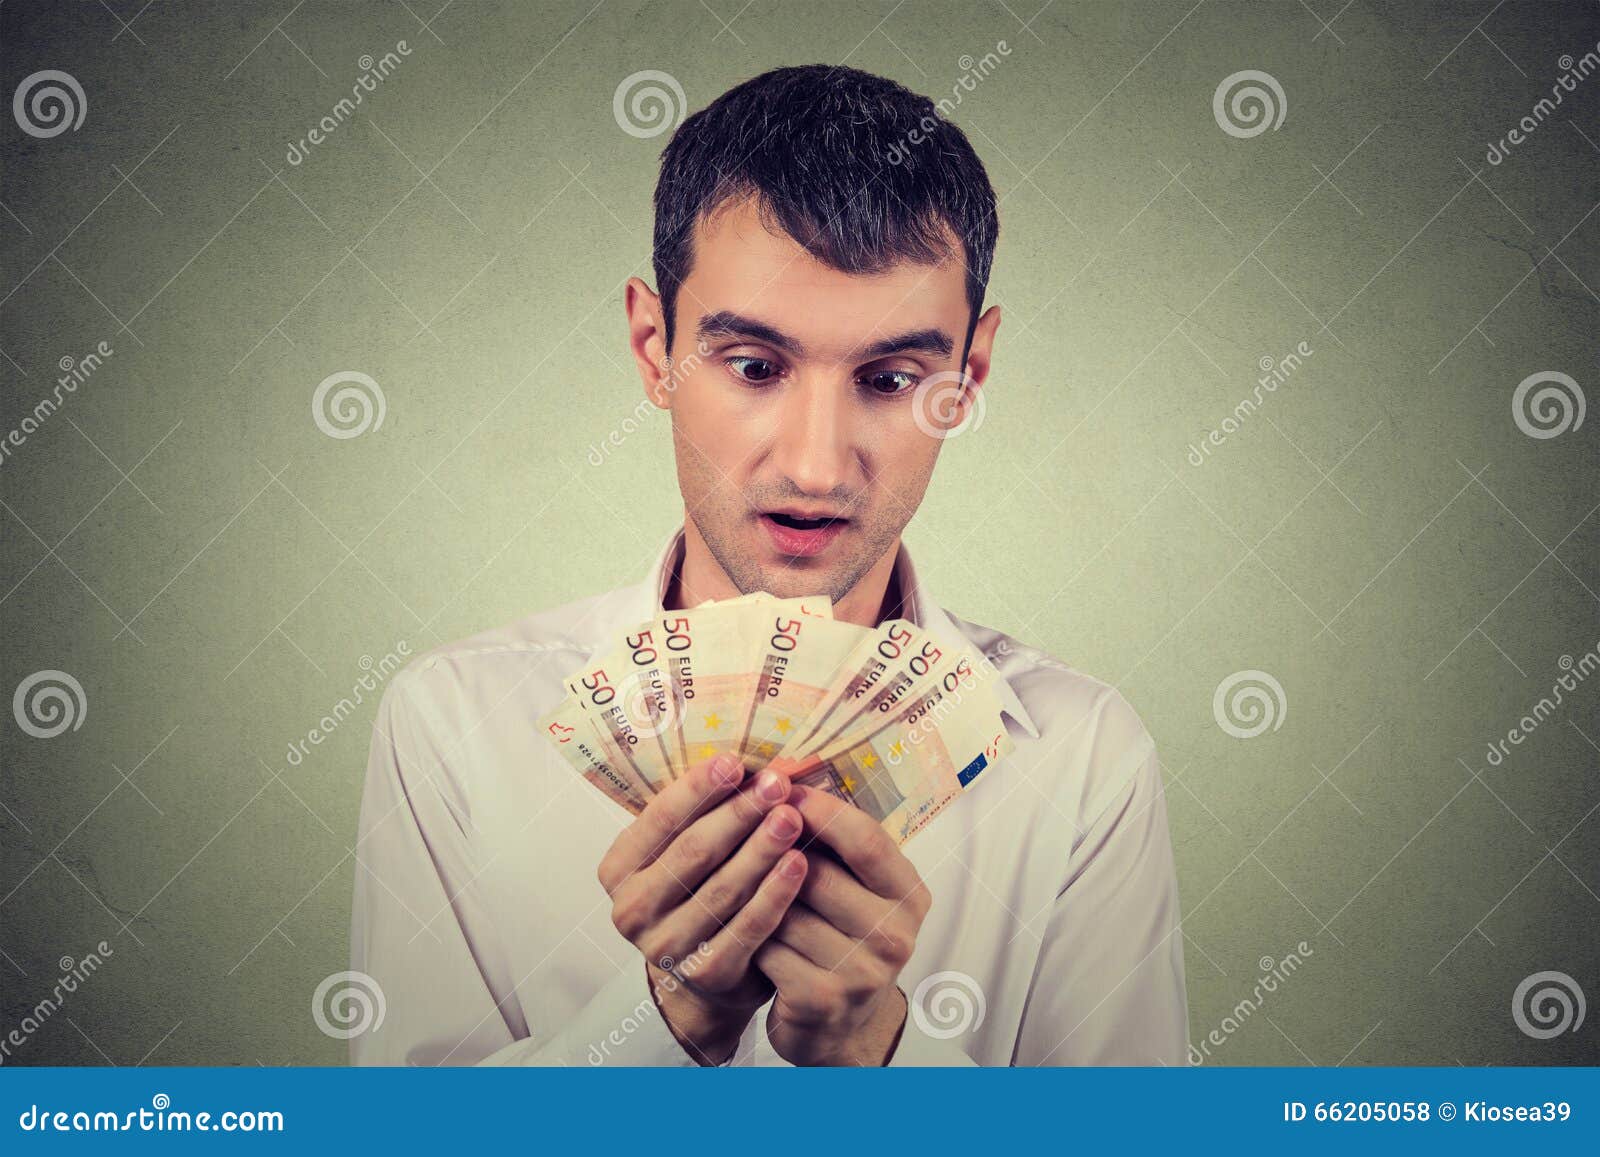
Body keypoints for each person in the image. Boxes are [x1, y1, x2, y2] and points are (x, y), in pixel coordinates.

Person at [352, 64, 1187, 1067]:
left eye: (889, 377)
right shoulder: (451, 722)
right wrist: (666, 1023)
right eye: (753, 365)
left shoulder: (1084, 757)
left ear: (967, 377)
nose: (813, 463)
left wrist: (878, 1051)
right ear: (653, 348)